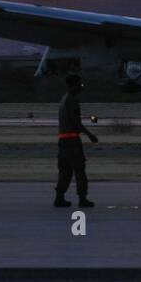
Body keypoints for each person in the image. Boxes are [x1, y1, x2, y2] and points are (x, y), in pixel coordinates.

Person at [55, 73, 97, 208]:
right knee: (79, 170)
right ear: (73, 85)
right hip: (72, 141)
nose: (81, 87)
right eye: (80, 84)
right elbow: (76, 122)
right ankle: (82, 198)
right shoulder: (72, 100)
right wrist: (90, 135)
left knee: (65, 171)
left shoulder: (63, 99)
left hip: (63, 140)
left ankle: (59, 197)